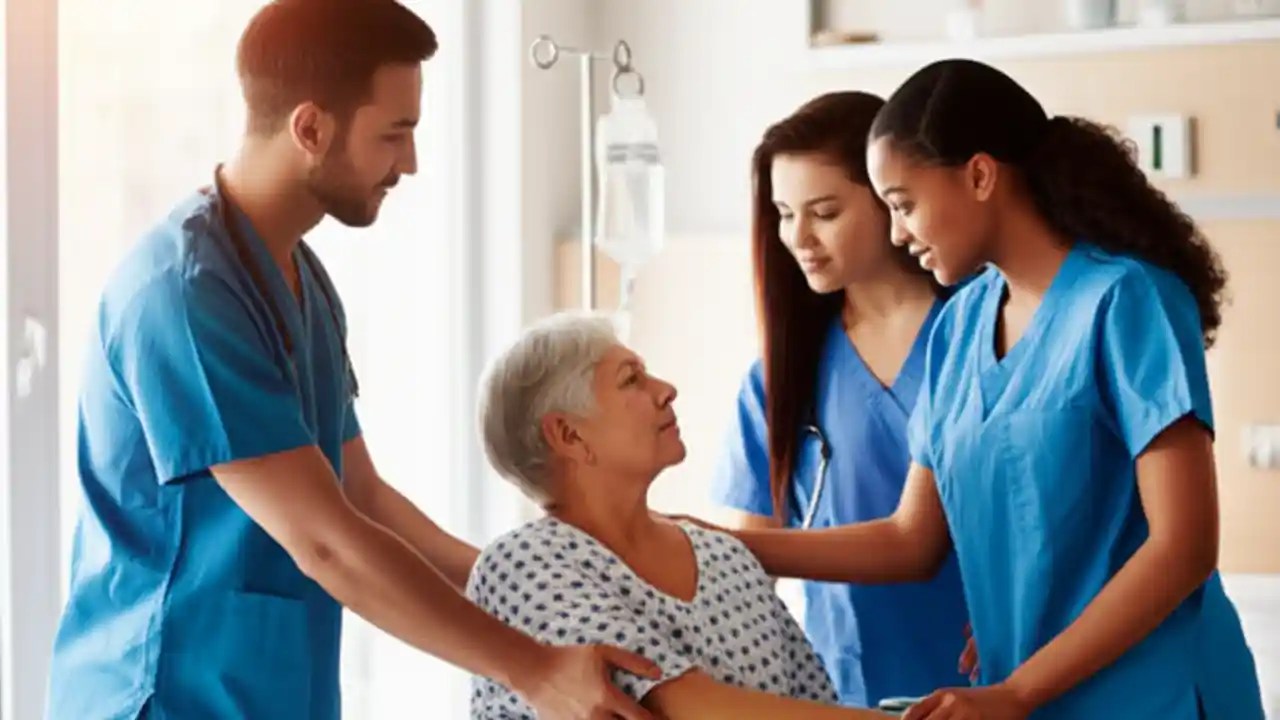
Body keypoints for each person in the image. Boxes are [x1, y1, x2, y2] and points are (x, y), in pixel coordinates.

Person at [45, 2, 659, 719]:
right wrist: (534, 670)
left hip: (268, 693)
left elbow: (361, 496)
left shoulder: (304, 284)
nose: (411, 163)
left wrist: (519, 586)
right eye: (393, 135)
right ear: (310, 127)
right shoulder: (184, 296)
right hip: (165, 694)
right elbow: (326, 543)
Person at [724, 59, 1265, 719]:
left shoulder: (1126, 301)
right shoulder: (960, 325)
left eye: (903, 204)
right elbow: (911, 539)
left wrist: (1017, 690)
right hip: (1035, 696)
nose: (898, 233)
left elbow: (1183, 547)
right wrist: (711, 540)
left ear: (980, 175)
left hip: (1154, 694)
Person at [468, 312, 903, 719]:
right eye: (631, 380)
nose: (666, 389)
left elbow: (814, 702)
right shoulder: (523, 564)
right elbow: (687, 707)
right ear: (569, 434)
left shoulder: (726, 556)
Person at [711, 91, 971, 708]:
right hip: (844, 690)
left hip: (987, 684)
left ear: (890, 200)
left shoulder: (976, 333)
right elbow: (750, 578)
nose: (797, 238)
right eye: (781, 213)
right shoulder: (781, 376)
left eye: (824, 212)